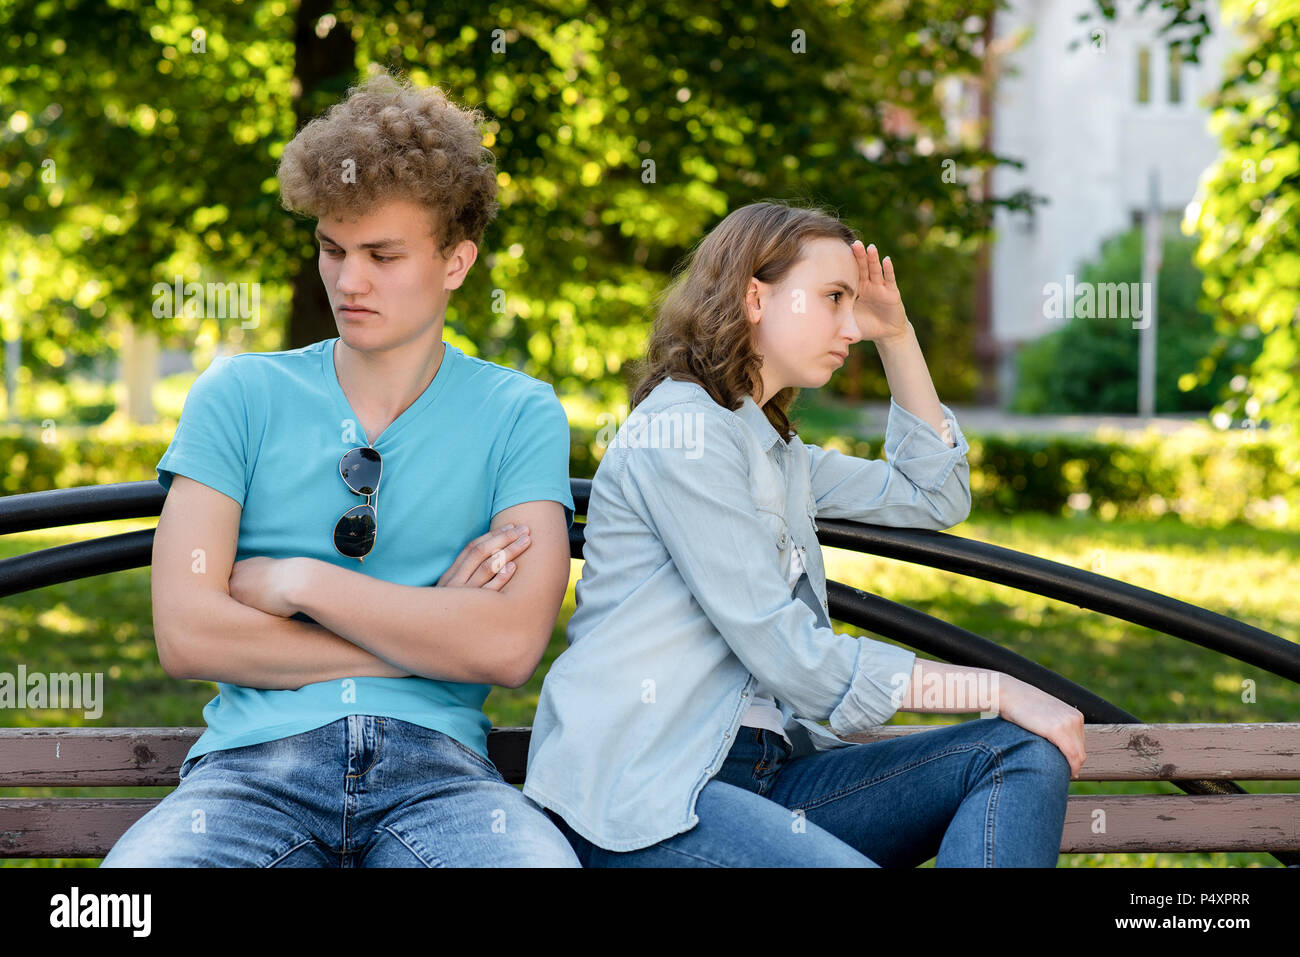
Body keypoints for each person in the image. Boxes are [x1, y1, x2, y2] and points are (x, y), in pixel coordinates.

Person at [102, 74, 579, 867]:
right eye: (332, 248)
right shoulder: (239, 394)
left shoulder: (519, 412)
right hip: (249, 775)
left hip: (443, 780)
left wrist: (301, 585)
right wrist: (428, 627)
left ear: (456, 262)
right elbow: (187, 634)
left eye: (383, 255)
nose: (348, 281)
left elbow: (506, 646)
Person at [523, 201, 1084, 867]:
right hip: (651, 792)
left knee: (1017, 753)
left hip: (770, 781)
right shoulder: (685, 435)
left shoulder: (774, 450)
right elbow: (793, 655)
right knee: (1007, 721)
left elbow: (935, 492)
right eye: (832, 298)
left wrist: (896, 337)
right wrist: (992, 686)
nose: (850, 325)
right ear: (755, 297)